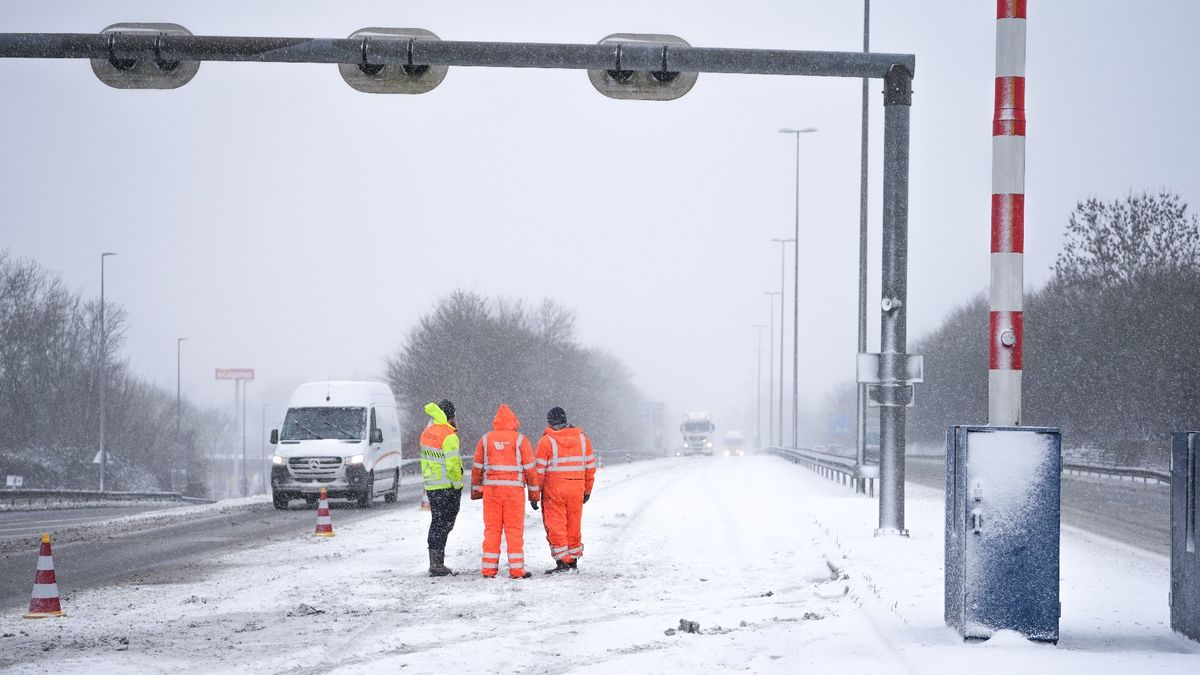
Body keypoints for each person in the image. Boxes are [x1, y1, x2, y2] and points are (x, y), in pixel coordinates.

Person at [471, 404, 539, 579]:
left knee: (492, 530)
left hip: (492, 492)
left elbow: (477, 467)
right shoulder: (520, 440)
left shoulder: (486, 439)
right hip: (514, 493)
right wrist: (534, 495)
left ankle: (488, 570)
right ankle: (517, 570)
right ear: (514, 421)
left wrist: (478, 491)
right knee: (514, 530)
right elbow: (530, 470)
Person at [534, 406, 596, 574]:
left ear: (549, 422)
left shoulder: (546, 441)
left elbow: (539, 471)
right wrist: (587, 489)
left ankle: (562, 562)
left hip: (554, 490)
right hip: (576, 488)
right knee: (573, 524)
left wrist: (534, 495)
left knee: (556, 525)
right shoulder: (583, 439)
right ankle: (573, 560)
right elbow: (590, 467)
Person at [420, 399, 463, 577]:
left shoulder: (427, 433)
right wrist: (458, 485)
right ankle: (437, 564)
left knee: (437, 522)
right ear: (451, 416)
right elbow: (452, 465)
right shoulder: (449, 436)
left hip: (432, 486)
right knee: (445, 523)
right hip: (447, 487)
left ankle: (435, 561)